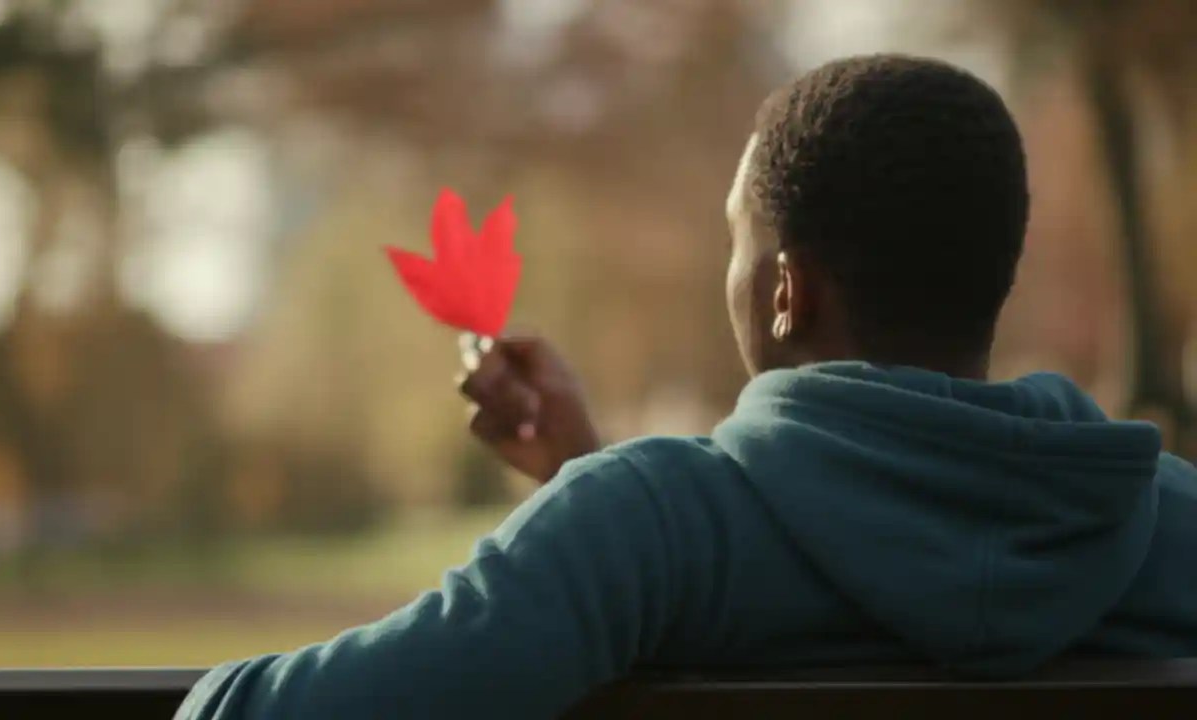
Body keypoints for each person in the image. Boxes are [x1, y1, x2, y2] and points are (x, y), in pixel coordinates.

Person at [175, 54, 1197, 719]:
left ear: (786, 291)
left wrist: (606, 504)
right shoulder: (1167, 521)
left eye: (736, 241)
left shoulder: (647, 533)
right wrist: (593, 476)